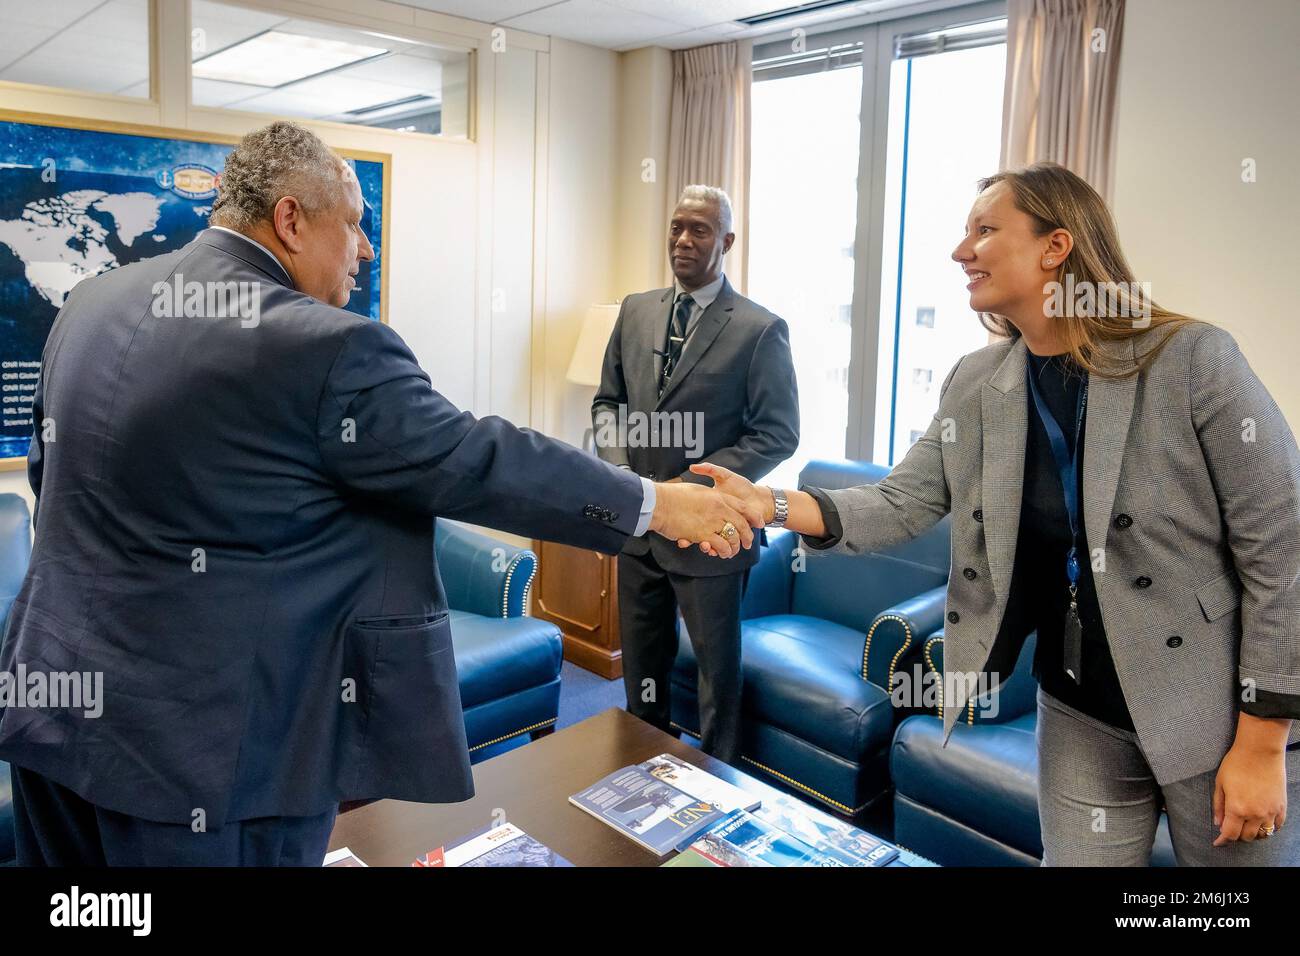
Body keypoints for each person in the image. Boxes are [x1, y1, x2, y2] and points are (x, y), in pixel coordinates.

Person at [0, 121, 762, 866]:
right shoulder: (323, 345)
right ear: (291, 221)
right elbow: (477, 457)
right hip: (205, 759)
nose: (365, 248)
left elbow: (54, 478)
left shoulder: (92, 303)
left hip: (52, 712)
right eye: (356, 224)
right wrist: (657, 503)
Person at [686, 162, 1300, 865]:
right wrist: (769, 503)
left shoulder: (1191, 361)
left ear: (1056, 247)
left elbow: (1282, 552)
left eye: (984, 230)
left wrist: (1261, 740)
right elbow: (902, 499)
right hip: (1078, 713)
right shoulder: (978, 384)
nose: (960, 252)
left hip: (1211, 711)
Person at [593, 185, 798, 764]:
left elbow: (777, 432)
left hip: (711, 533)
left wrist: (691, 489)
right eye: (677, 227)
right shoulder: (635, 309)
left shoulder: (760, 329)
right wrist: (623, 475)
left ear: (727, 241)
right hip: (637, 526)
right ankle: (641, 770)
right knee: (643, 671)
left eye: (700, 230)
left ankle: (721, 784)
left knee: (716, 678)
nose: (683, 240)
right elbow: (609, 403)